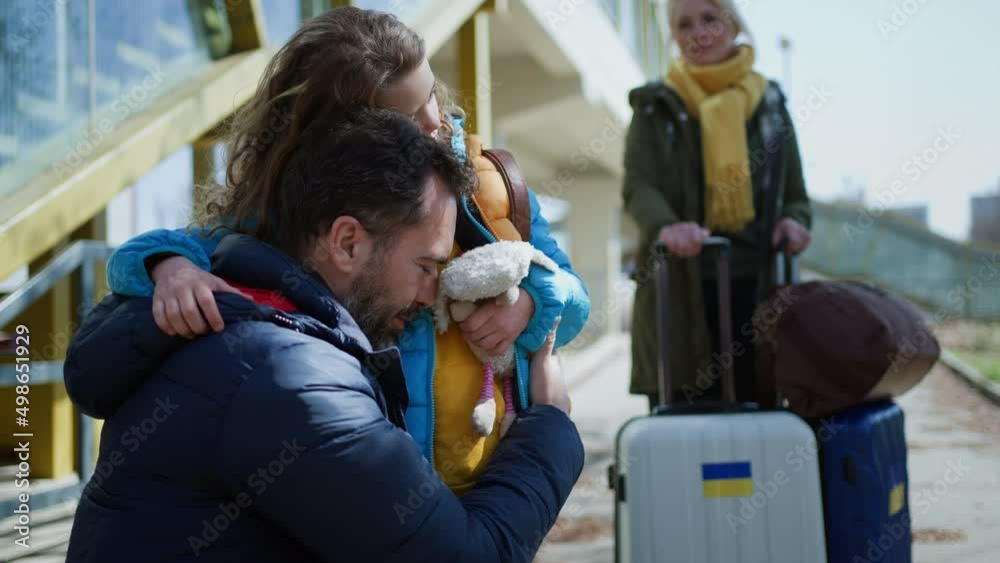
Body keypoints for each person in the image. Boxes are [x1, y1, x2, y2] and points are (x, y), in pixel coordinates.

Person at [89, 7, 589, 493]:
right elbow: (168, 250)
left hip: (495, 478)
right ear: (349, 140)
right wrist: (171, 268)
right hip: (391, 486)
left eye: (431, 94)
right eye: (409, 115)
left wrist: (531, 304)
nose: (436, 122)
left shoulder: (488, 184)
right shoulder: (306, 212)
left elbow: (570, 291)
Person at [63, 108, 583, 562]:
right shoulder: (290, 378)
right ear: (347, 242)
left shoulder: (257, 322)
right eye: (426, 266)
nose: (432, 295)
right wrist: (550, 426)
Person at [623, 0, 812, 410]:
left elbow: (795, 193)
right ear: (674, 36)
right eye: (685, 24)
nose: (699, 33)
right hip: (678, 287)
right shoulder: (655, 104)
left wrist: (794, 221)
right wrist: (667, 226)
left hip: (758, 285)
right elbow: (638, 186)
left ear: (733, 25)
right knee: (682, 420)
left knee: (762, 412)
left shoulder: (771, 103)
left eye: (710, 19)